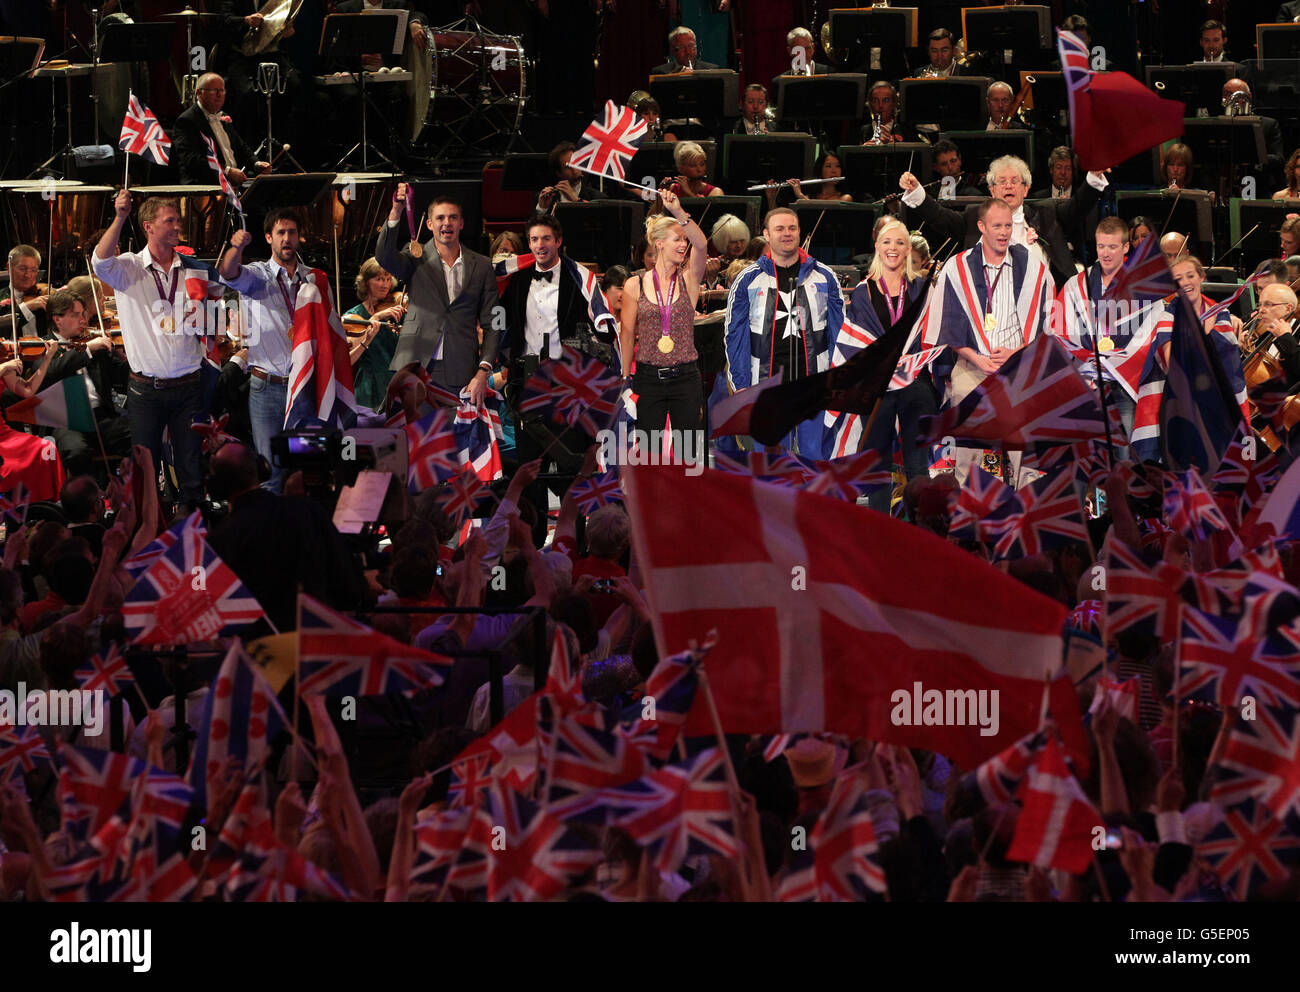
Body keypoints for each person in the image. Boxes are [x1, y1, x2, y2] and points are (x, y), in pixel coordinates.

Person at [499, 213, 619, 545]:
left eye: (546, 239)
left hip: (569, 385)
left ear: (559, 241)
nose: (540, 245)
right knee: (531, 468)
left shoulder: (579, 277)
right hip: (529, 382)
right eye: (534, 240)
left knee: (574, 465)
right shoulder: (519, 280)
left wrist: (605, 333)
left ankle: (576, 543)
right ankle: (531, 544)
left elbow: (602, 317)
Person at [92, 191, 210, 510]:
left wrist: (204, 319)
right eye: (169, 220)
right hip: (147, 390)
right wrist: (119, 216)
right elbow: (99, 260)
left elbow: (209, 318)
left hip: (188, 386)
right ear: (148, 226)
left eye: (177, 220)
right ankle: (148, 533)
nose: (176, 226)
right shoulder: (129, 268)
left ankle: (194, 534)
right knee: (145, 472)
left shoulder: (192, 269)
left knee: (191, 469)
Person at [922, 198, 1052, 484]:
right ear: (982, 227)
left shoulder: (1031, 264)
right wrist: (977, 358)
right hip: (972, 365)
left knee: (1021, 454)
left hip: (1016, 366)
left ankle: (1019, 517)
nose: (1004, 232)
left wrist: (1015, 354)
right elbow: (949, 325)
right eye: (997, 226)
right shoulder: (958, 268)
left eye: (1007, 225)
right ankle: (968, 518)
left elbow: (1045, 323)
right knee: (970, 454)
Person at [205, 441, 367, 635]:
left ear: (217, 486)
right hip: (321, 640)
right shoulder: (308, 510)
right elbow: (349, 586)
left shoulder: (220, 540)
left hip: (262, 652)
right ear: (261, 468)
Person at [723, 206, 845, 460]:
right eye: (779, 228)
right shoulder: (747, 279)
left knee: (815, 458)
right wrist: (742, 386)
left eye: (792, 228)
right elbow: (735, 336)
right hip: (765, 386)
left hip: (815, 385)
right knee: (770, 461)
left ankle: (813, 501)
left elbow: (839, 332)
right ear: (766, 234)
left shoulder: (824, 276)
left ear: (800, 232)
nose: (786, 233)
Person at [831, 218, 935, 512]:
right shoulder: (863, 292)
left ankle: (919, 530)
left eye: (900, 243)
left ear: (907, 249)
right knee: (878, 464)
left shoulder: (922, 289)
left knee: (918, 464)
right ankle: (878, 530)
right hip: (878, 386)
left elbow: (932, 333)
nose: (893, 248)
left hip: (915, 382)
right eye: (887, 242)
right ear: (877, 247)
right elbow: (857, 339)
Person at [218, 207, 321, 493]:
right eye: (280, 233)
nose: (287, 238)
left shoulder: (313, 279)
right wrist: (236, 247)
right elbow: (227, 271)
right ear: (268, 238)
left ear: (299, 237)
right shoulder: (256, 277)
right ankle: (273, 534)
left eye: (292, 232)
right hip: (268, 389)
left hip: (304, 388)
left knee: (305, 469)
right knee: (271, 474)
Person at [899, 154, 1107, 288]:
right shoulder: (975, 217)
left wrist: (1093, 178)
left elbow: (1079, 206)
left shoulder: (1047, 213)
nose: (1008, 186)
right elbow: (940, 217)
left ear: (1026, 189)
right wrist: (916, 192)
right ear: (992, 190)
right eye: (1002, 182)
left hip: (1044, 303)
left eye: (1015, 181)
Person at [376, 186, 500, 401]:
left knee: (457, 435)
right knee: (419, 435)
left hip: (461, 368)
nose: (447, 223)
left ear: (461, 223)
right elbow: (385, 256)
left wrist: (484, 370)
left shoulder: (482, 265)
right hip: (415, 365)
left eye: (453, 217)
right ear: (429, 224)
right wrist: (396, 211)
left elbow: (494, 322)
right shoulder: (415, 257)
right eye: (440, 218)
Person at [1058, 217, 1162, 438]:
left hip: (1125, 384)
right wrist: (1087, 356)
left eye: (1112, 247)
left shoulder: (1145, 287)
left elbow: (1153, 334)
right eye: (1101, 246)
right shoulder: (1077, 285)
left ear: (1125, 247)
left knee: (1124, 457)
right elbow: (1060, 330)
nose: (1105, 253)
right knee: (1089, 456)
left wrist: (1116, 361)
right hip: (1088, 382)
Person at [619, 193, 708, 447]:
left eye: (684, 239)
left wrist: (678, 211)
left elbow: (701, 245)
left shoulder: (689, 278)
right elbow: (626, 334)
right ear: (658, 244)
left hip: (686, 378)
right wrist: (625, 378)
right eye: (677, 239)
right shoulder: (634, 284)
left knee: (687, 454)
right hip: (648, 379)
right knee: (649, 455)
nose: (684, 244)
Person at [41, 291, 131, 481]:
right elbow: (54, 370)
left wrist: (127, 356)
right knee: (76, 452)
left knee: (140, 435)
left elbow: (120, 375)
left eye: (84, 314)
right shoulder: (44, 347)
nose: (84, 319)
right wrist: (88, 350)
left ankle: (131, 494)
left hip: (101, 416)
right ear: (58, 319)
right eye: (76, 315)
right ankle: (90, 499)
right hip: (67, 421)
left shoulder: (91, 341)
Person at [171, 73, 270, 187]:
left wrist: (256, 163)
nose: (219, 95)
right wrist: (227, 171)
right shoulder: (186, 120)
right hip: (205, 187)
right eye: (213, 90)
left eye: (222, 90)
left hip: (233, 185)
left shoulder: (223, 116)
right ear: (198, 93)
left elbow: (240, 146)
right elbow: (192, 160)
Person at [0, 335, 63, 501]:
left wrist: (47, 359)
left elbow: (27, 390)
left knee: (46, 449)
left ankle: (45, 508)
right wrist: (4, 367)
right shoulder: (3, 364)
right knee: (10, 468)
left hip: (3, 433)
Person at [346, 258, 404, 413]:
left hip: (397, 387)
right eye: (378, 279)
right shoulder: (354, 317)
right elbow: (347, 360)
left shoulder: (397, 312)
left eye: (387, 279)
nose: (385, 284)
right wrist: (376, 318)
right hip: (369, 389)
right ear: (365, 283)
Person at [1247, 282, 1300, 389]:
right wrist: (1244, 350)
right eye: (1260, 304)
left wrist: (1285, 337)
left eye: (1268, 304)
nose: (1261, 310)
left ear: (1288, 309)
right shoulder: (1267, 333)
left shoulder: (1295, 330)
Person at [537, 141, 609, 212]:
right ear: (559, 173)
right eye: (568, 167)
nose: (575, 170)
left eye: (575, 163)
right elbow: (537, 223)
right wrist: (542, 209)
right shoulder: (549, 198)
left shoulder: (597, 198)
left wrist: (577, 200)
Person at [0, 246, 47, 338]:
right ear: (9, 267)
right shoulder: (1, 296)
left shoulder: (42, 294)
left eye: (33, 270)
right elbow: (4, 325)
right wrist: (26, 307)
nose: (28, 275)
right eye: (22, 269)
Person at [789, 152, 853, 203]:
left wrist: (800, 195)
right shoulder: (808, 198)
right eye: (828, 166)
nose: (834, 171)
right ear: (820, 170)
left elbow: (818, 210)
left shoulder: (845, 198)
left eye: (838, 166)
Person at [651, 26, 718, 74]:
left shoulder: (712, 70)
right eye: (682, 47)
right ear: (672, 50)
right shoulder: (660, 72)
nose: (688, 52)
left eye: (691, 46)